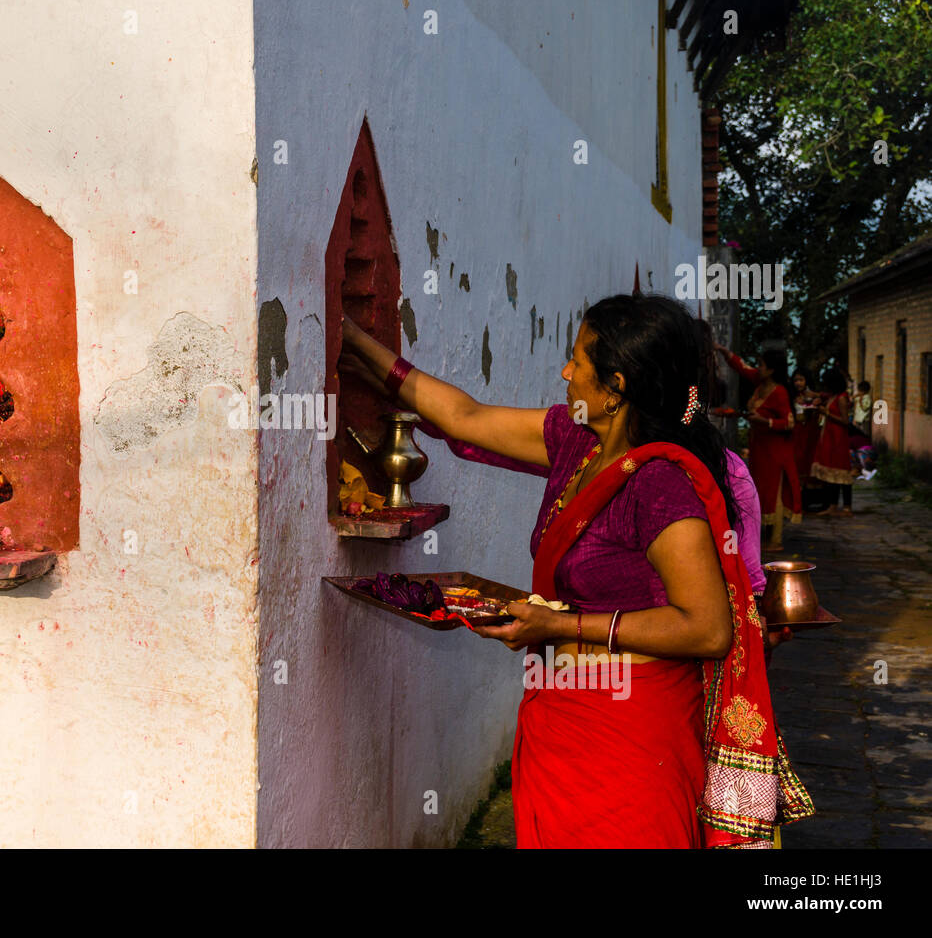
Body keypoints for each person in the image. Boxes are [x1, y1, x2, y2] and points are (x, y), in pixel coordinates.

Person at [339, 294, 813, 848]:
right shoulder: (578, 441)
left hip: (631, 735)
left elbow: (707, 628)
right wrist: (354, 342)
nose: (565, 372)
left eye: (576, 361)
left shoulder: (660, 484)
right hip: (564, 715)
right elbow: (464, 417)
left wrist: (561, 627)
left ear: (614, 387)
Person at [715, 343, 800, 551]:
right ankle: (766, 536)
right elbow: (743, 369)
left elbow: (789, 422)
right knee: (761, 490)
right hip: (760, 448)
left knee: (774, 492)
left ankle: (776, 540)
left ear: (771, 369)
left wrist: (765, 421)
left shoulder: (779, 392)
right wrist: (725, 353)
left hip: (776, 450)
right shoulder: (760, 383)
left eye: (761, 365)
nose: (758, 368)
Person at [812, 368, 856, 516]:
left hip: (838, 438)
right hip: (830, 436)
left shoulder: (842, 398)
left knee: (842, 471)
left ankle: (847, 507)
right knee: (832, 472)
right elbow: (821, 395)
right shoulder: (833, 396)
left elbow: (845, 421)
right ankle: (833, 505)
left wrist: (827, 413)